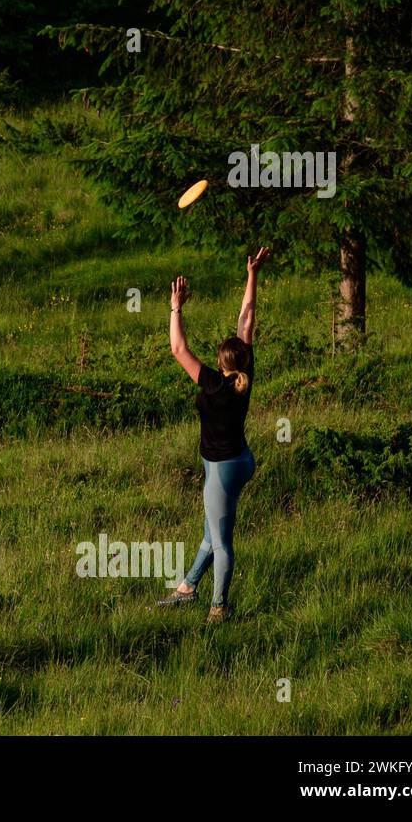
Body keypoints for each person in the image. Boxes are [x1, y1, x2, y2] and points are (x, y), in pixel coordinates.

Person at [157, 247, 270, 622]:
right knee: (212, 529)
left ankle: (219, 608)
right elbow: (247, 320)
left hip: (221, 469)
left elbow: (177, 348)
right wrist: (252, 274)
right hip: (238, 461)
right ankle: (188, 587)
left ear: (221, 362)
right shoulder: (245, 377)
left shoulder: (210, 384)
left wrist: (177, 307)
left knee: (221, 542)